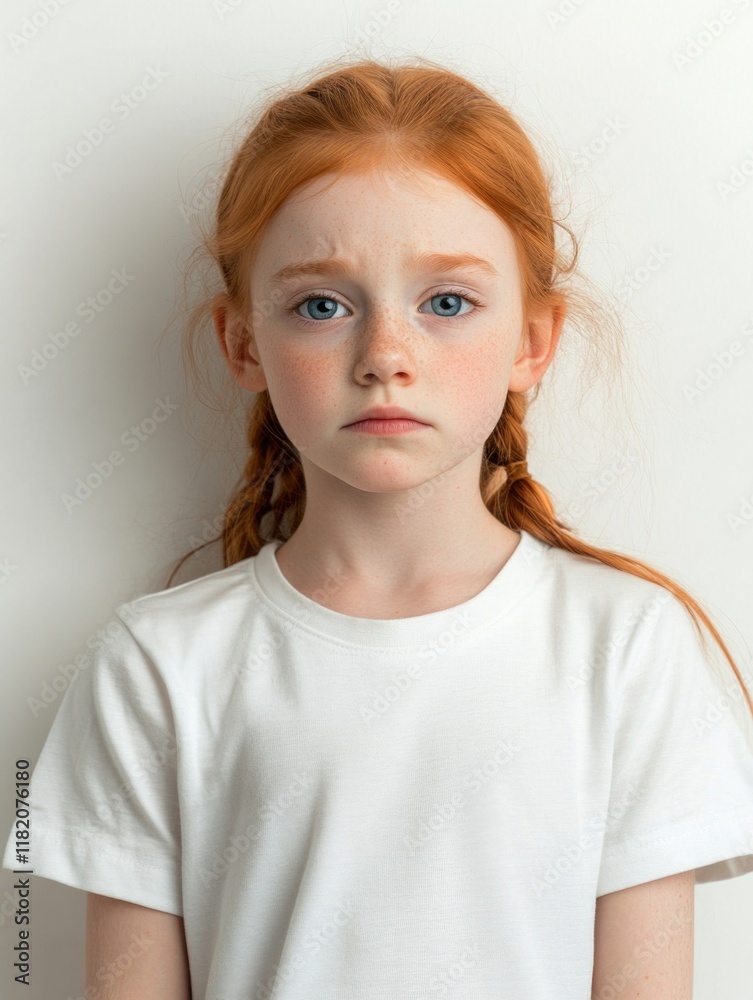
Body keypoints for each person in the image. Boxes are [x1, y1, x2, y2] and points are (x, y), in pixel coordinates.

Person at [4, 54, 753, 1000]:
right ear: (243, 342)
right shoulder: (155, 664)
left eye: (446, 302)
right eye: (322, 305)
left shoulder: (629, 649)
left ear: (532, 340)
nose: (385, 356)